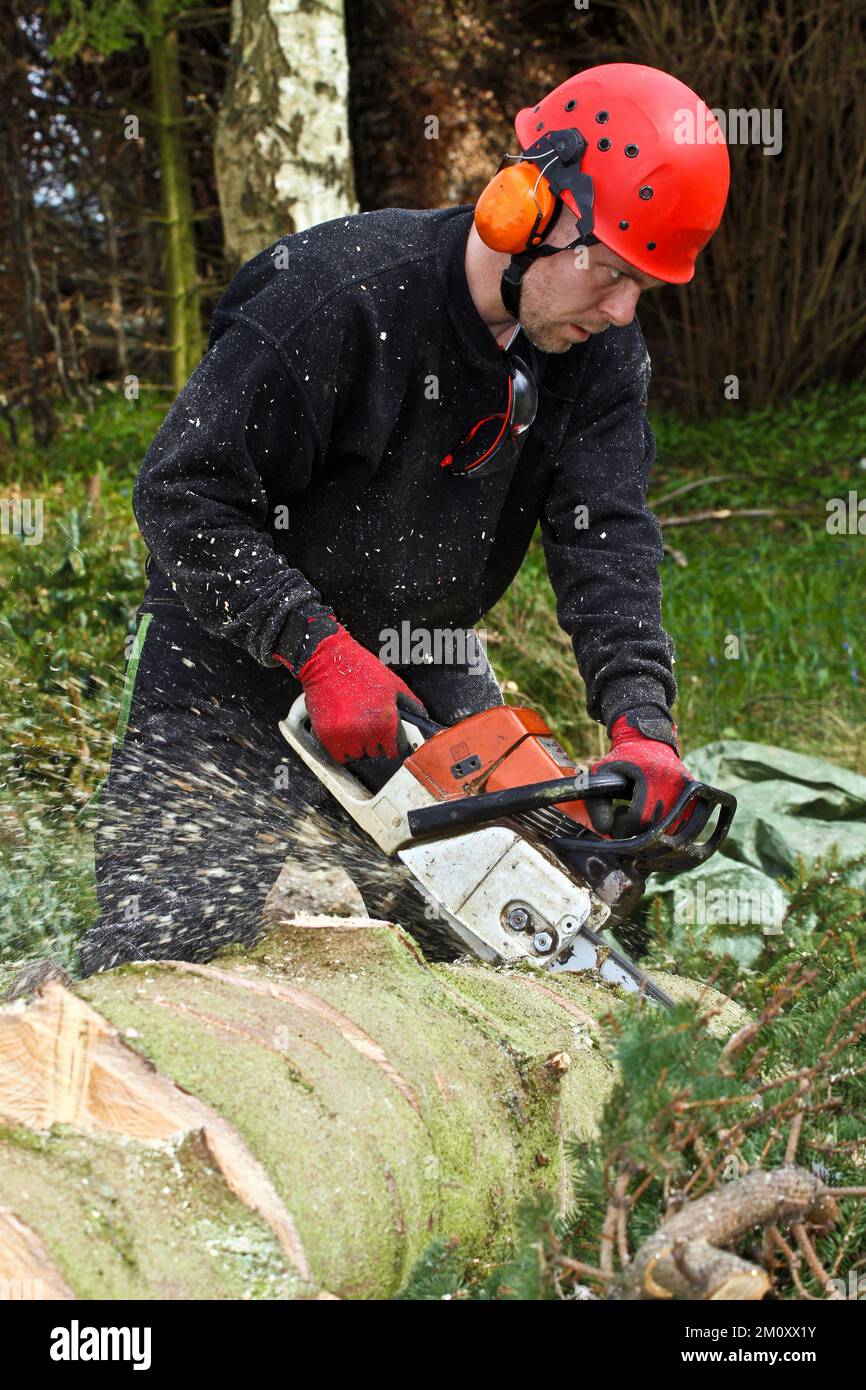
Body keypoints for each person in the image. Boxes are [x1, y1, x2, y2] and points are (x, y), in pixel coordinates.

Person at [77, 62, 730, 975]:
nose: (622, 310)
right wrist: (312, 643)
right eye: (611, 274)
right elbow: (181, 490)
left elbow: (605, 536)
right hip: (229, 646)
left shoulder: (600, 357)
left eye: (643, 289)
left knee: (542, 910)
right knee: (168, 932)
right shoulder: (338, 295)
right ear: (526, 209)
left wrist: (640, 720)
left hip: (424, 651)